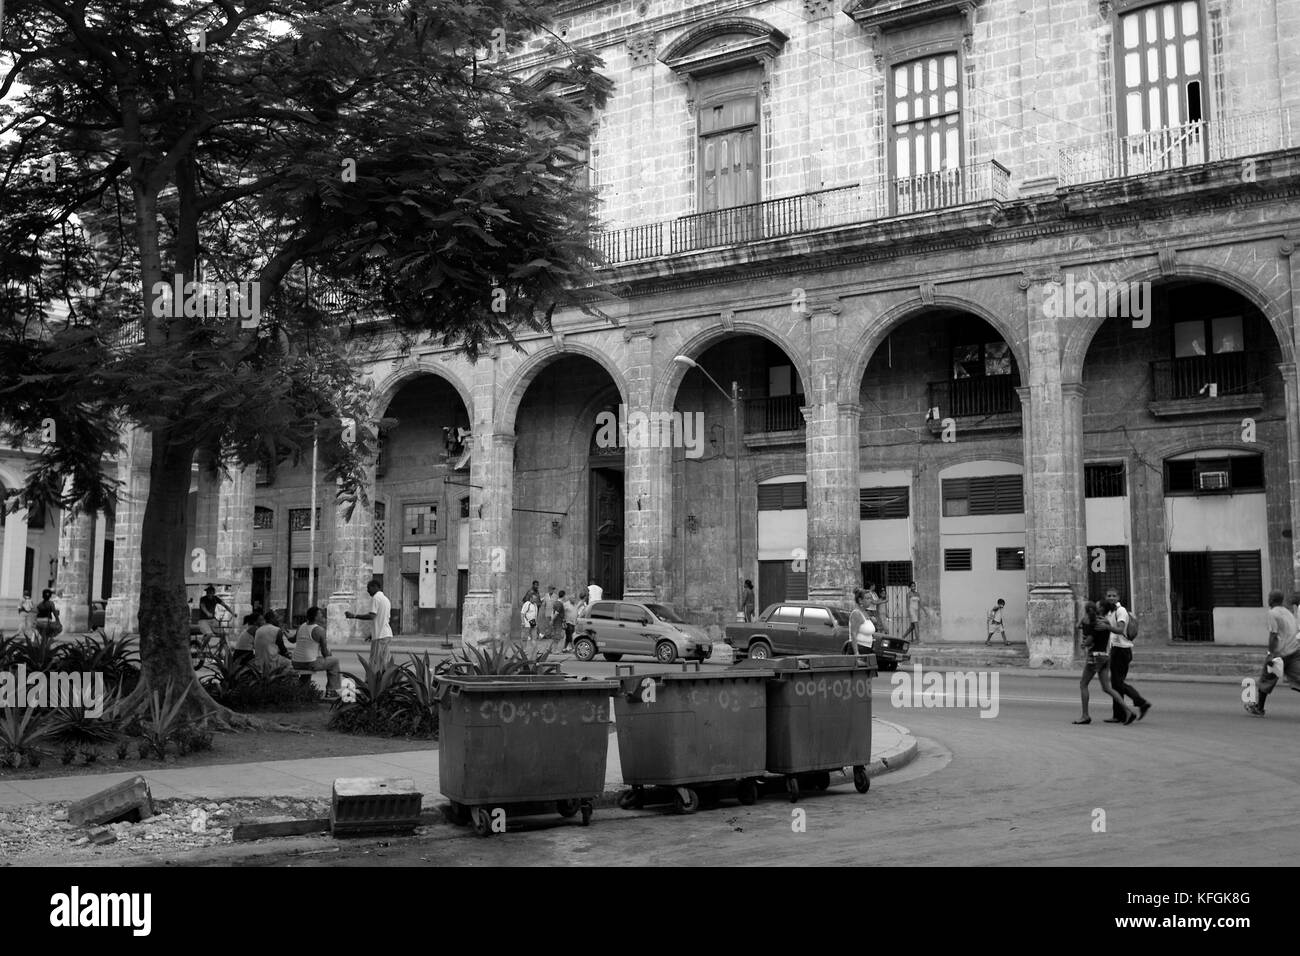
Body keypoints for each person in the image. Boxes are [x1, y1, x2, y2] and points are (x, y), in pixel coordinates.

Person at [1075, 600, 1137, 725]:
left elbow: (1087, 638)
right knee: (1107, 688)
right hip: (1105, 656)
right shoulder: (1105, 621)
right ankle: (1128, 711)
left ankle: (1085, 715)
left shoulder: (1092, 623)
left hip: (1094, 656)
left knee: (1083, 684)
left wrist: (1084, 643)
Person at [1245, 589, 1300, 717]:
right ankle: (1258, 707)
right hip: (1294, 651)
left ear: (1271, 600)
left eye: (1269, 598)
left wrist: (1271, 653)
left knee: (1266, 677)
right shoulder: (1288, 612)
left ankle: (1259, 707)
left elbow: (1273, 635)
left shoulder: (1272, 613)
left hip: (1280, 653)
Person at [1100, 588, 1151, 722]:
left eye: (1114, 596)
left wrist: (1106, 627)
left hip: (1122, 650)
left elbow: (1120, 629)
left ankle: (1141, 702)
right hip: (1115, 649)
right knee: (1116, 684)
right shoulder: (1109, 612)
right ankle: (1119, 715)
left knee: (1118, 683)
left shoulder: (1120, 610)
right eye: (1109, 595)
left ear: (1118, 597)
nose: (1111, 598)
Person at [292, 606, 341, 699]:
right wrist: (329, 654)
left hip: (296, 662)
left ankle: (301, 691)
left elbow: (292, 640)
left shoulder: (301, 626)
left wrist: (286, 635)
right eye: (320, 614)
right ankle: (331, 691)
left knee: (309, 660)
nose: (322, 616)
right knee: (334, 662)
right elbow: (324, 653)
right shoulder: (319, 630)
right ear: (315, 617)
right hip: (309, 663)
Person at [345, 580, 393, 654]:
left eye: (368, 588)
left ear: (375, 587)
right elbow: (383, 619)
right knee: (383, 662)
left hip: (380, 636)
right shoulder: (386, 599)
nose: (368, 591)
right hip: (386, 634)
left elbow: (372, 616)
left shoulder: (376, 598)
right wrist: (372, 634)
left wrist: (354, 616)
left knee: (376, 663)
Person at [849, 588, 875, 656]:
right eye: (867, 598)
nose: (870, 600)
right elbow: (853, 634)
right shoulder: (856, 613)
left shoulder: (865, 613)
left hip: (867, 649)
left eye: (870, 598)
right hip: (859, 649)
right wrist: (856, 653)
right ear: (860, 600)